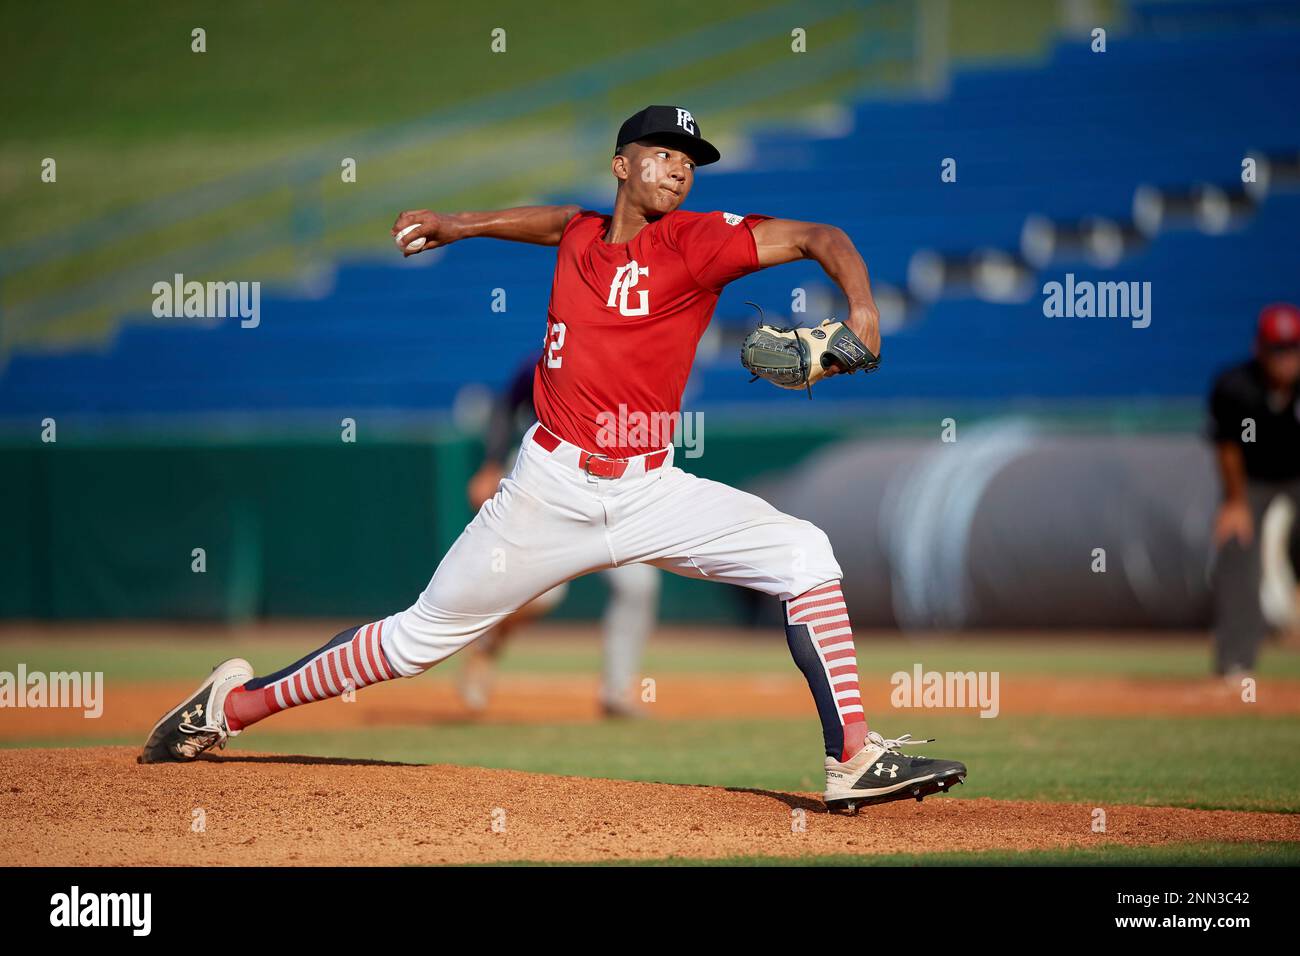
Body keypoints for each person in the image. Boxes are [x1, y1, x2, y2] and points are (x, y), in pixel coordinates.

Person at [142, 105, 967, 812]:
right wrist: (459, 224)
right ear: (623, 164)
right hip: (545, 490)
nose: (679, 171)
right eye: (663, 155)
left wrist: (861, 310)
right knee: (413, 644)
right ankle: (235, 704)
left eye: (690, 161)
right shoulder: (579, 235)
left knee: (805, 552)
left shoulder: (699, 244)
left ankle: (852, 758)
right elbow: (552, 222)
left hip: (651, 490)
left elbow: (822, 235)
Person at [460, 354, 660, 716]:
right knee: (543, 597)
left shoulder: (631, 360)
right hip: (550, 485)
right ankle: (489, 640)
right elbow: (507, 406)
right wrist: (491, 463)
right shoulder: (554, 357)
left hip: (612, 489)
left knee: (638, 584)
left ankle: (617, 692)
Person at [1208, 302, 1300, 677]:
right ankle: (1235, 661)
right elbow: (1228, 448)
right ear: (1259, 349)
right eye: (1276, 349)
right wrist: (1234, 502)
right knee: (1235, 544)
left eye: (1292, 348)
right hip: (1253, 480)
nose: (1285, 359)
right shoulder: (1236, 388)